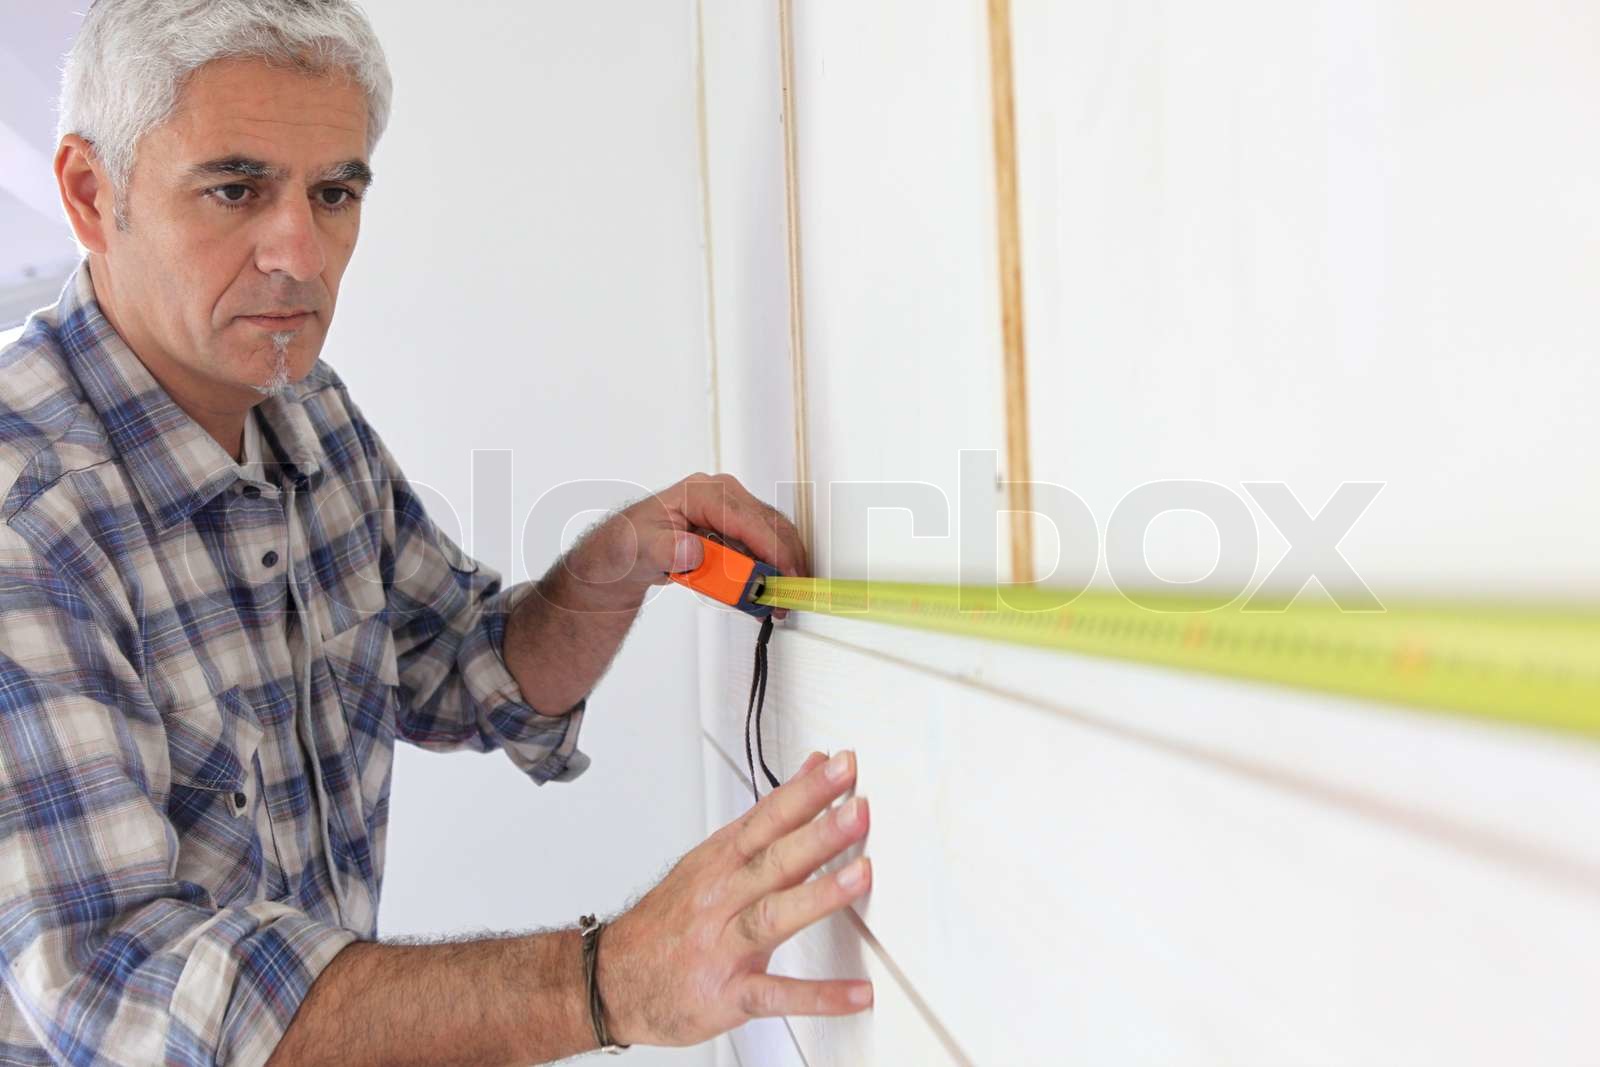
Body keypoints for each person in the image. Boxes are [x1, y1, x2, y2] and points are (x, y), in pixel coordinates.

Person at [0, 2, 873, 1063]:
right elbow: (124, 984)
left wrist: (608, 567)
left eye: (335, 192)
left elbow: (462, 669)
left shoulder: (302, 407)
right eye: (235, 188)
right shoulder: (26, 516)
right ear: (92, 195)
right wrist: (611, 978)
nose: (299, 252)